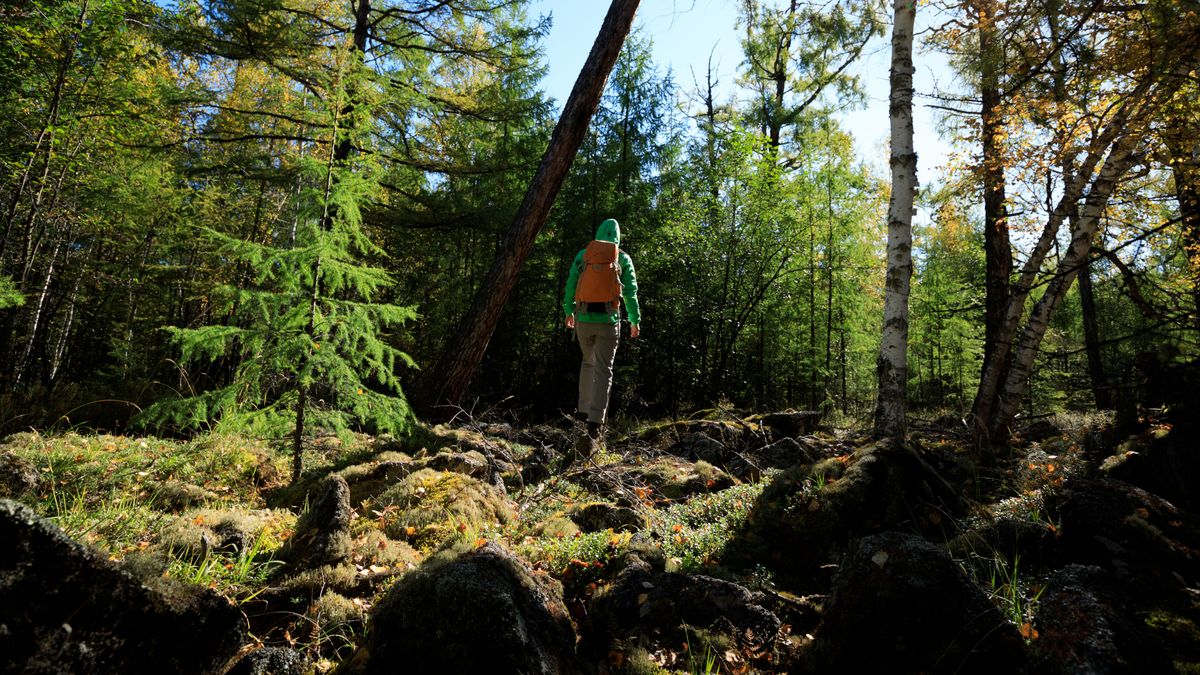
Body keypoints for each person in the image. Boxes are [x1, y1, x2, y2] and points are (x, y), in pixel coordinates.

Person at [562, 218, 641, 449]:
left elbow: (571, 284)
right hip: (608, 320)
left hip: (584, 320)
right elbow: (630, 292)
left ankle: (582, 412)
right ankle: (595, 424)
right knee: (604, 369)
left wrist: (569, 311)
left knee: (588, 362)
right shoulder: (622, 258)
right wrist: (634, 320)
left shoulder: (583, 256)